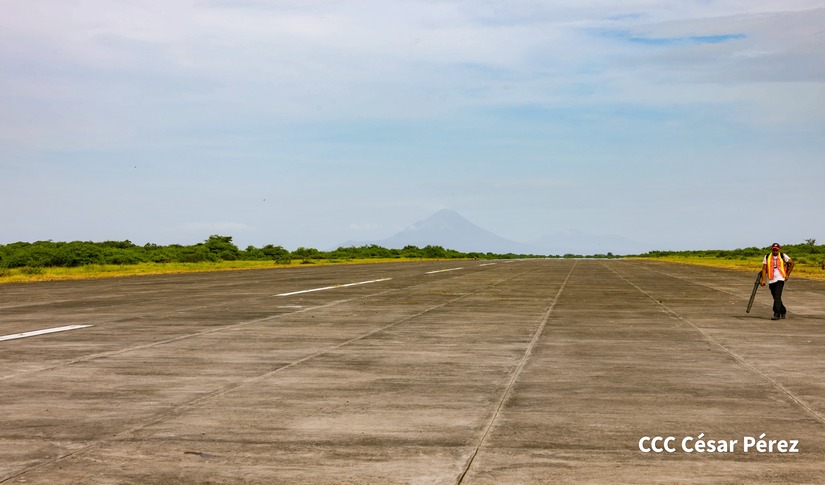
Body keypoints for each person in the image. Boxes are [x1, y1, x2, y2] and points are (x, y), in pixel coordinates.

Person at [761, 243, 794, 320]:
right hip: (771, 279)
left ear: (779, 249)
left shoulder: (783, 256)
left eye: (776, 249)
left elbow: (792, 263)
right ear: (772, 249)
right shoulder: (767, 256)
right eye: (774, 249)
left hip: (780, 278)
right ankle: (783, 311)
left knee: (777, 296)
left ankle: (776, 313)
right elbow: (764, 269)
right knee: (776, 297)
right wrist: (763, 279)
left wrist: (787, 274)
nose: (775, 251)